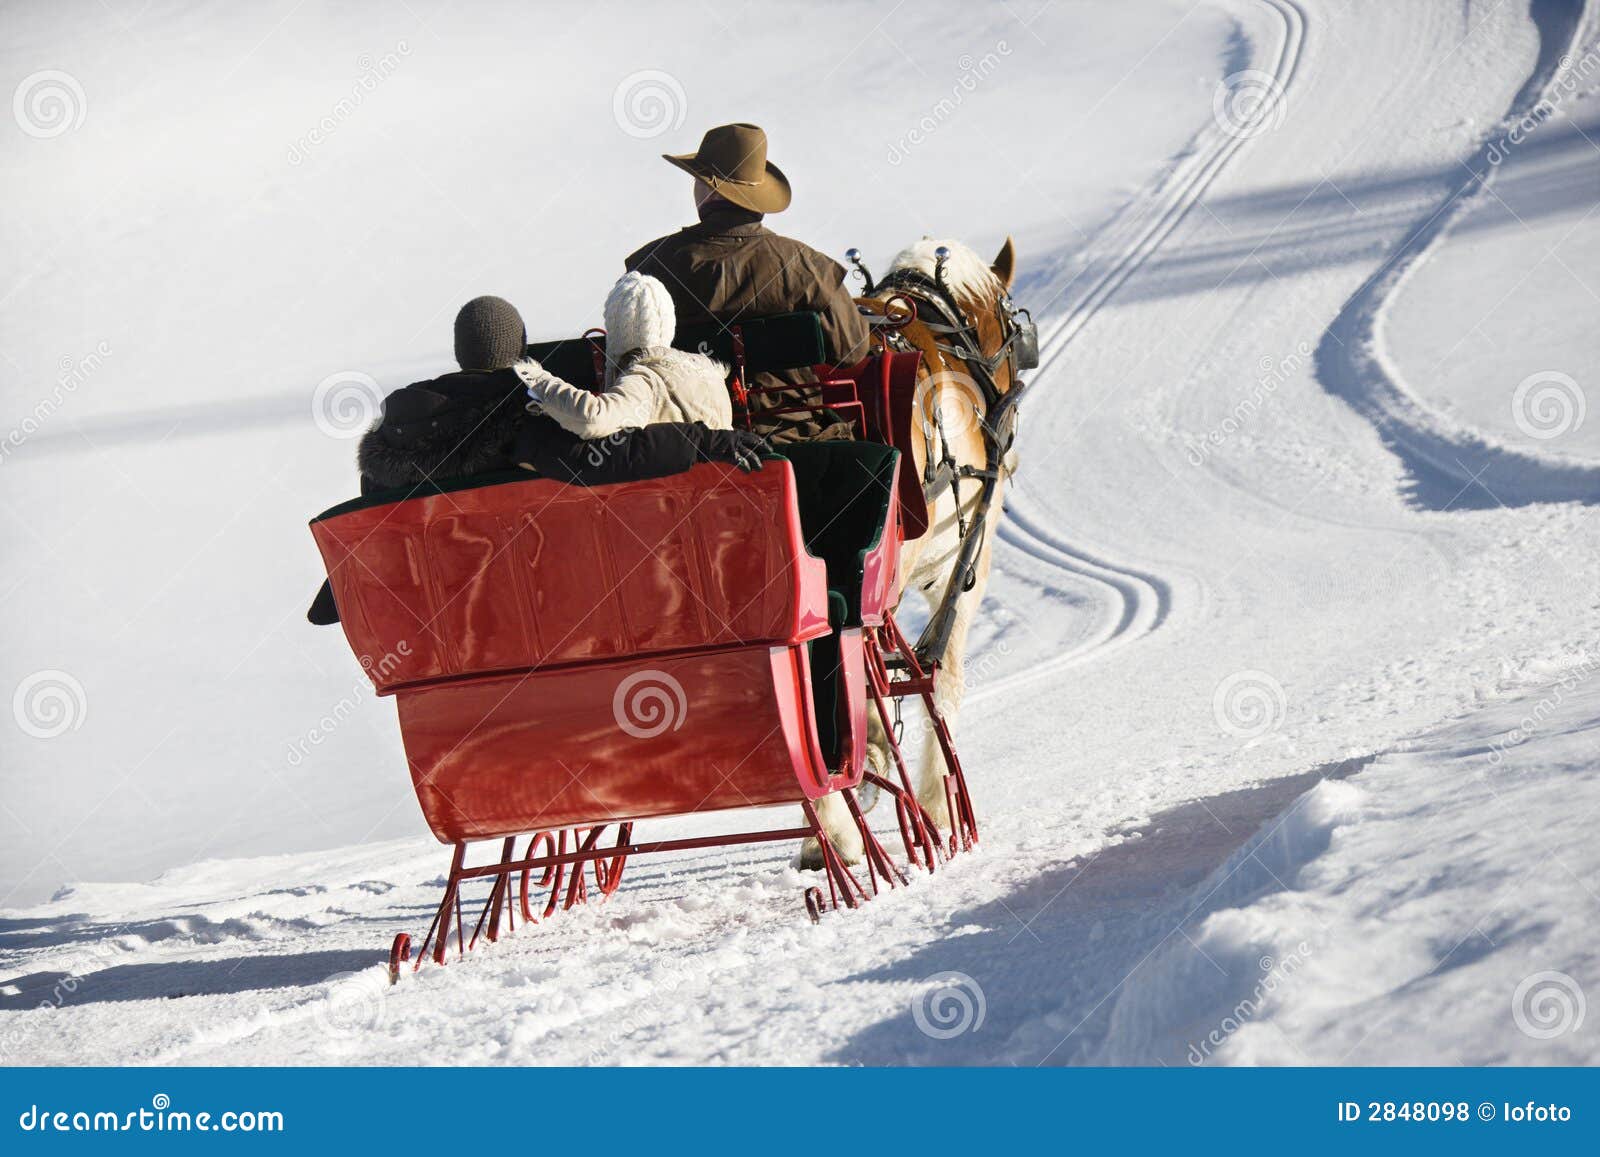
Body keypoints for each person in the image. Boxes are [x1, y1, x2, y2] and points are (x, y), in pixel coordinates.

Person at [308, 294, 762, 625]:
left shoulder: (396, 431)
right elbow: (600, 463)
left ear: (460, 352)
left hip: (437, 610)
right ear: (518, 354)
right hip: (524, 601)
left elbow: (372, 520)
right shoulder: (517, 415)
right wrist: (704, 440)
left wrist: (337, 597)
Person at [624, 123, 872, 443]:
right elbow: (852, 350)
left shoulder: (647, 267)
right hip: (794, 437)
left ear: (708, 189)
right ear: (757, 194)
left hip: (682, 441)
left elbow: (623, 356)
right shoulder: (810, 268)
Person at [515, 271, 731, 439]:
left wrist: (538, 381)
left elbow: (592, 419)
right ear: (668, 324)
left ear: (617, 329)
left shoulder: (643, 381)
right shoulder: (710, 374)